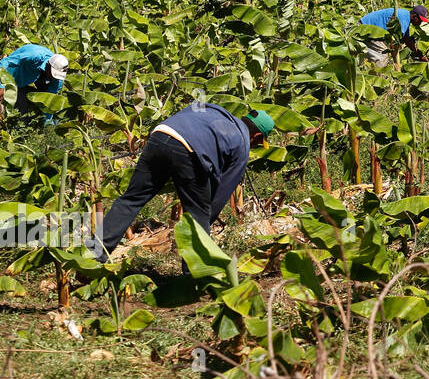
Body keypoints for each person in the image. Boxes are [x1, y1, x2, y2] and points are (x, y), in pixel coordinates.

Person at [91, 104, 274, 262]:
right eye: (258, 143)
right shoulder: (242, 143)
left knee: (131, 200)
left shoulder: (215, 110)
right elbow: (221, 193)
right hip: (188, 150)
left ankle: (92, 256)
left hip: (160, 134)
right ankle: (193, 278)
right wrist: (206, 219)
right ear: (257, 136)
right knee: (198, 216)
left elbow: (187, 113)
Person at [0, 44, 69, 125]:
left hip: (29, 79)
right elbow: (5, 62)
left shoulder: (57, 78)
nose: (54, 78)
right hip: (12, 74)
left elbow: (50, 100)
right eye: (53, 74)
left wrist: (47, 121)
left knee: (24, 105)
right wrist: (1, 85)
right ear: (47, 65)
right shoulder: (34, 56)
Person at [359, 5, 429, 66]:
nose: (420, 23)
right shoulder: (403, 19)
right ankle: (378, 78)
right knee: (382, 56)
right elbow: (394, 43)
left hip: (367, 27)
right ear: (415, 16)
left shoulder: (405, 16)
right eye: (420, 20)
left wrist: (419, 55)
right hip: (366, 29)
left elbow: (407, 40)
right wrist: (396, 63)